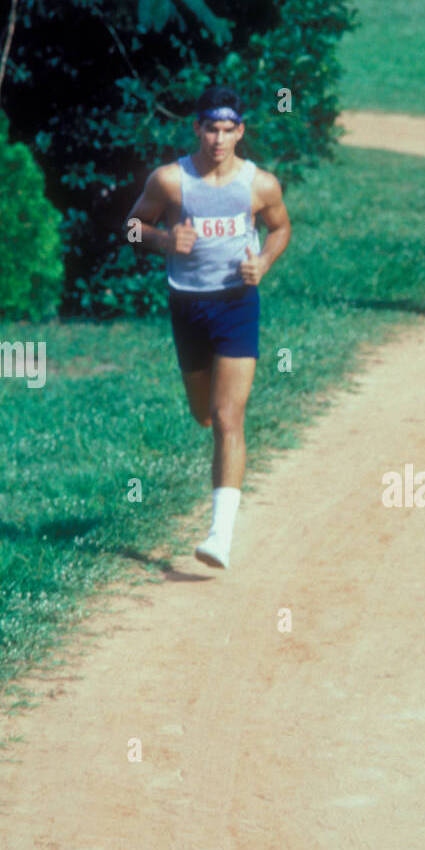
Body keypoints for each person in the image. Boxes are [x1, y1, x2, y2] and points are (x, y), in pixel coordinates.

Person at [126, 85, 291, 568]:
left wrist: (262, 262)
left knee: (226, 418)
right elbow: (132, 227)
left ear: (240, 131)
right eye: (210, 129)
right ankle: (220, 512)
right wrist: (162, 238)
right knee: (203, 414)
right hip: (188, 308)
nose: (218, 139)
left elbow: (281, 227)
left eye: (228, 130)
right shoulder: (171, 181)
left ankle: (220, 535)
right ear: (197, 128)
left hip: (238, 305)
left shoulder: (261, 185)